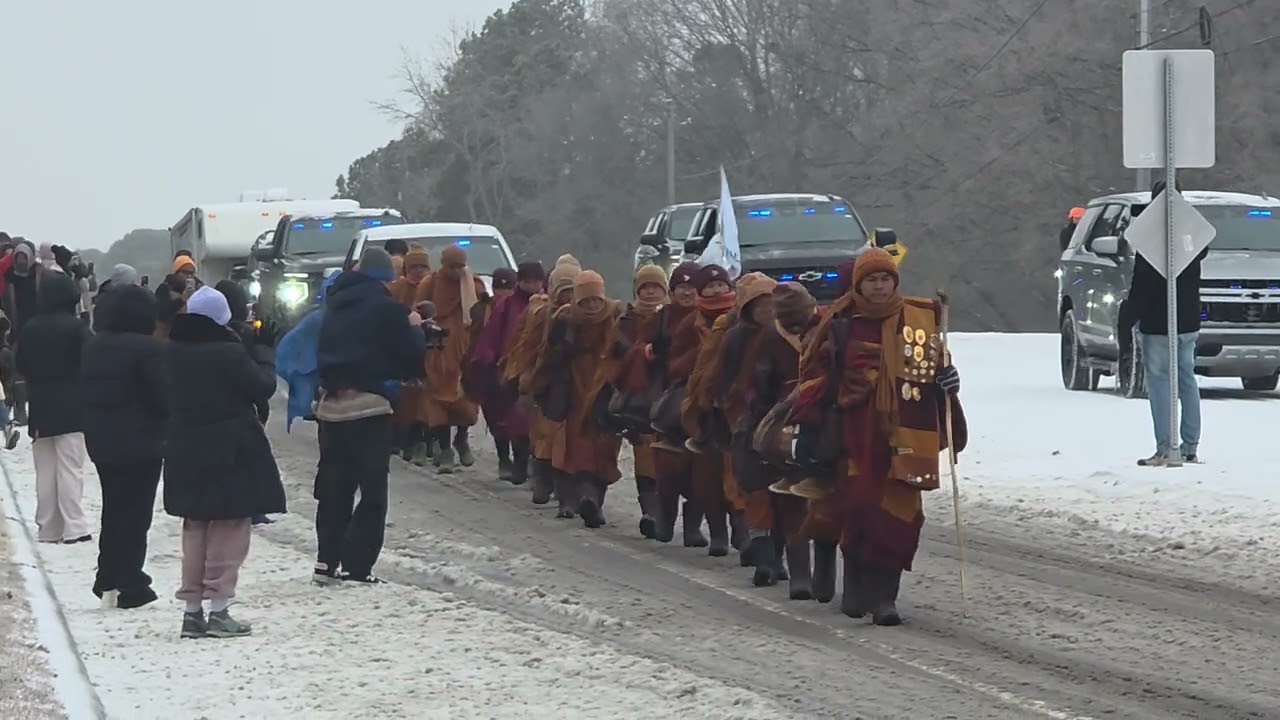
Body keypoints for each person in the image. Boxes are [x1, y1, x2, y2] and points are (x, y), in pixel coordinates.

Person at [789, 247, 967, 625]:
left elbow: (935, 364)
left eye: (886, 279)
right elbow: (813, 375)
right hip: (854, 433)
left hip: (907, 430)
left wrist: (948, 382)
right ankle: (856, 585)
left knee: (900, 514)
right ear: (858, 284)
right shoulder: (838, 323)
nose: (880, 286)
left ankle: (886, 598)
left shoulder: (918, 319)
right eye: (871, 279)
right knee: (859, 508)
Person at [164, 286, 282, 638]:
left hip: (185, 447)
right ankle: (219, 609)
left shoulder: (171, 353)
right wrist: (262, 352)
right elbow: (261, 387)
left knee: (195, 527)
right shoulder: (228, 353)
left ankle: (191, 611)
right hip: (230, 448)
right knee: (229, 528)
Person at [313, 247, 428, 585]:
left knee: (335, 486)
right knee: (372, 490)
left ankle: (326, 560)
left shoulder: (333, 305)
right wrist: (416, 330)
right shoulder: (387, 309)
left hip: (331, 408)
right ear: (384, 279)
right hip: (369, 407)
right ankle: (357, 565)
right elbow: (410, 359)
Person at [82, 285, 168, 608]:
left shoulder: (93, 346)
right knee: (136, 514)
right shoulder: (148, 349)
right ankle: (131, 580)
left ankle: (107, 575)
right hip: (141, 441)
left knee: (114, 509)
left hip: (102, 440)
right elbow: (162, 398)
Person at [531, 270, 623, 528]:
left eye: (596, 300)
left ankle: (596, 501)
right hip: (573, 391)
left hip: (606, 389)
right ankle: (583, 497)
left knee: (605, 447)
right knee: (577, 446)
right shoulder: (565, 321)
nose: (592, 306)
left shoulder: (617, 318)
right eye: (585, 301)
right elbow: (547, 356)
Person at [704, 272, 778, 572]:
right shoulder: (734, 336)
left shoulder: (791, 333)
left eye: (771, 303)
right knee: (752, 482)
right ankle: (760, 547)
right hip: (743, 418)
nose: (766, 310)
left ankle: (777, 551)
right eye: (758, 303)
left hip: (780, 418)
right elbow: (719, 376)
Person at [1129, 180, 1205, 467]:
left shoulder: (1150, 237)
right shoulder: (1193, 235)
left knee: (1160, 382)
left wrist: (1130, 315)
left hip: (1158, 322)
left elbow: (1142, 284)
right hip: (1188, 320)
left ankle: (1164, 447)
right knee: (1187, 379)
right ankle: (1189, 446)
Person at [751, 282, 819, 597]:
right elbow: (761, 386)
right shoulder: (769, 339)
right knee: (790, 497)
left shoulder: (830, 329)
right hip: (784, 425)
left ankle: (824, 573)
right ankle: (800, 576)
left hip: (821, 418)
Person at [16, 271, 93, 544]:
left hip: (40, 403)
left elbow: (20, 365)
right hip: (72, 404)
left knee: (45, 471)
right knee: (70, 468)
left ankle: (48, 527)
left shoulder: (30, 327)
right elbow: (90, 363)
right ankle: (75, 526)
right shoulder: (77, 328)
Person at [669, 264, 737, 557]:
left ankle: (743, 532)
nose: (716, 291)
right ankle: (717, 532)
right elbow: (672, 365)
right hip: (702, 407)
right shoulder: (689, 324)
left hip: (735, 403)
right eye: (710, 287)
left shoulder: (740, 318)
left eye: (721, 284)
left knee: (739, 470)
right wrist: (701, 361)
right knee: (707, 473)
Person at [509, 256, 582, 512]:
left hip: (578, 384)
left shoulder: (590, 315)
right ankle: (542, 478)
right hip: (548, 381)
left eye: (575, 291)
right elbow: (528, 347)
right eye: (565, 291)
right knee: (545, 435)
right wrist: (526, 377)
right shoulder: (543, 314)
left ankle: (568, 496)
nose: (570, 297)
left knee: (570, 440)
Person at [413, 244, 488, 471]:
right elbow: (417, 312)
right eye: (451, 267)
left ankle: (462, 438)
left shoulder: (473, 284)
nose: (456, 272)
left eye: (460, 266)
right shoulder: (431, 283)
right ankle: (445, 449)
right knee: (437, 401)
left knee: (465, 401)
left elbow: (483, 316)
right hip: (437, 352)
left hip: (465, 352)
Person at [469, 262, 545, 484]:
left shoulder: (546, 305)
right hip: (508, 371)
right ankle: (514, 462)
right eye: (527, 281)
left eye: (536, 281)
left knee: (533, 422)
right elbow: (491, 336)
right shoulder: (507, 306)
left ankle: (531, 464)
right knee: (511, 419)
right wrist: (487, 363)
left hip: (538, 370)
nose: (532, 286)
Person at [647, 261, 704, 545]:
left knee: (699, 468)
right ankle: (665, 522)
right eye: (681, 287)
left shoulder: (709, 317)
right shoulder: (662, 317)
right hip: (669, 399)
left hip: (700, 401)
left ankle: (692, 528)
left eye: (692, 287)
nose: (687, 293)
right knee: (668, 467)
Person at [610, 264, 669, 537]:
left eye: (655, 287)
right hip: (640, 398)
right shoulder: (627, 319)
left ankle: (667, 515)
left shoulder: (674, 317)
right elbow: (617, 350)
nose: (650, 292)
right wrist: (641, 353)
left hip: (669, 394)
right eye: (645, 287)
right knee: (644, 452)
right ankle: (651, 512)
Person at [385, 244, 432, 465]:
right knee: (404, 396)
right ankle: (401, 436)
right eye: (415, 267)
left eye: (424, 266)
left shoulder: (432, 286)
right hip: (401, 345)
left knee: (422, 396)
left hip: (428, 347)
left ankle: (421, 438)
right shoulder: (397, 288)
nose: (419, 271)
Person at [4, 240, 41, 425]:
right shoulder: (10, 276)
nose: (20, 261)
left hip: (36, 323)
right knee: (17, 367)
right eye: (17, 257)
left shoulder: (38, 275)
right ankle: (19, 410)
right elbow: (6, 301)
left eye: (23, 257)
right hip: (16, 323)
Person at [92, 264, 140, 332]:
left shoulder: (105, 293)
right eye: (132, 280)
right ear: (125, 279)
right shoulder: (109, 298)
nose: (134, 283)